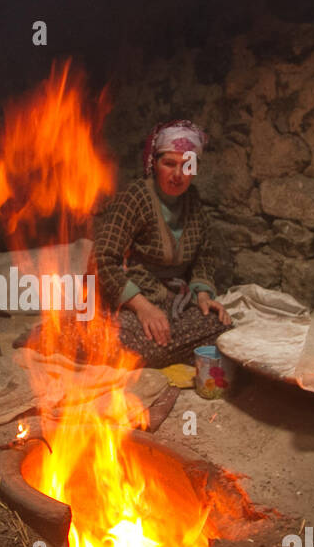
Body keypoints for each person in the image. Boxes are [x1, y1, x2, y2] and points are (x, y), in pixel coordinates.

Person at [90, 119, 232, 368]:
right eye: (169, 164)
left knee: (221, 326)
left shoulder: (193, 201)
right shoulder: (136, 197)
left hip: (174, 301)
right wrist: (143, 307)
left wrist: (201, 295)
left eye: (187, 166)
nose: (178, 175)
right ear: (154, 164)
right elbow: (102, 260)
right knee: (130, 340)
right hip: (135, 300)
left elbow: (204, 255)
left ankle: (165, 348)